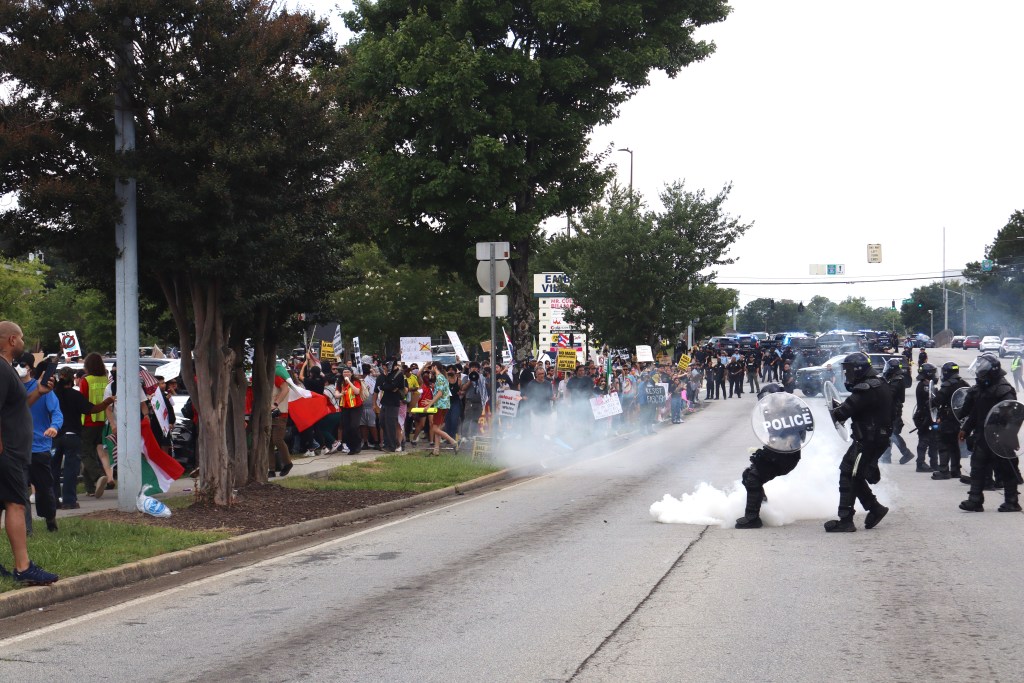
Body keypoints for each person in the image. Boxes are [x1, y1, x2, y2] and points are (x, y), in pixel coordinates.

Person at [0, 321, 59, 584]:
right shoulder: (2, 368)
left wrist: (40, 391)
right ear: (12, 340)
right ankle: (23, 568)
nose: (24, 343)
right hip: (8, 451)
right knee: (16, 503)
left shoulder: (7, 369)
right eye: (22, 338)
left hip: (11, 450)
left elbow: (17, 406)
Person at [825, 352, 893, 532]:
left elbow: (842, 413)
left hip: (867, 442)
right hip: (877, 440)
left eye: (848, 370)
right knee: (854, 474)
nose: (847, 374)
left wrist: (833, 408)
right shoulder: (881, 383)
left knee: (848, 475)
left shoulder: (864, 389)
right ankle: (875, 508)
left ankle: (846, 520)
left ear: (858, 369)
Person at [736, 384, 809, 529]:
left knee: (753, 477)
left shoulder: (789, 412)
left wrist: (766, 454)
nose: (765, 404)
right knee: (748, 475)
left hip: (784, 456)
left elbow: (786, 439)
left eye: (768, 399)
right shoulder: (777, 411)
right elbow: (775, 438)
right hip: (779, 454)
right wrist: (764, 452)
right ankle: (764, 508)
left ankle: (752, 519)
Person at [958, 355, 1021, 512]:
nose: (979, 372)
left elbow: (1015, 415)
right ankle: (975, 500)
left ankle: (1012, 501)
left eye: (982, 369)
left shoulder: (1004, 390)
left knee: (1006, 469)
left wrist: (1006, 435)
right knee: (977, 467)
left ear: (991, 371)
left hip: (1000, 437)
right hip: (983, 435)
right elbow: (975, 413)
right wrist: (965, 428)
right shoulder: (982, 388)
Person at [52, 367, 115, 509]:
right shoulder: (75, 395)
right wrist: (107, 402)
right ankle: (69, 501)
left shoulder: (52, 395)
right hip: (73, 436)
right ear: (72, 378)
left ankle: (54, 499)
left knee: (53, 469)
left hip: (55, 435)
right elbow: (91, 409)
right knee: (70, 469)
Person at [21, 355, 63, 532]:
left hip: (39, 447)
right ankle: (26, 530)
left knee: (44, 490)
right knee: (20, 493)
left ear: (30, 368)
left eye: (21, 364)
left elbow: (57, 413)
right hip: (15, 449)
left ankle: (50, 519)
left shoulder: (44, 390)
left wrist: (54, 427)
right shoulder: (8, 388)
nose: (17, 367)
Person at [78, 352, 113, 497]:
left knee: (85, 453)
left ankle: (99, 476)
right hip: (102, 421)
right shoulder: (106, 380)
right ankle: (90, 489)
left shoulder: (86, 381)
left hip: (88, 420)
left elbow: (82, 400)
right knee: (92, 453)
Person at [931, 362, 969, 480]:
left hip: (948, 420)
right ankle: (955, 470)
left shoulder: (947, 385)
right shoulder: (963, 383)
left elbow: (937, 401)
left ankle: (943, 471)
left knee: (943, 444)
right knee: (954, 445)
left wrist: (932, 399)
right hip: (959, 419)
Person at [879, 358, 914, 465]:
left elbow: (889, 394)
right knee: (889, 434)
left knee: (892, 434)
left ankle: (906, 453)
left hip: (893, 412)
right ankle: (887, 457)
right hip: (891, 410)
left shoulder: (897, 380)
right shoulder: (894, 379)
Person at [912, 363, 939, 473]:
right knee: (924, 440)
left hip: (930, 416)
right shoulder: (924, 386)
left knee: (933, 440)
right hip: (924, 416)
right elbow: (929, 403)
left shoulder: (928, 384)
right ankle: (920, 463)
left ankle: (934, 463)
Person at [426, 362, 458, 455]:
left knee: (435, 428)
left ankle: (453, 441)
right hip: (444, 405)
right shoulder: (443, 377)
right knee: (437, 428)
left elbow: (439, 394)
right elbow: (441, 393)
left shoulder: (439, 378)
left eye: (431, 367)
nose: (430, 369)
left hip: (440, 406)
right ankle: (436, 450)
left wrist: (429, 404)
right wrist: (431, 401)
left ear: (435, 367)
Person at [376, 360, 406, 452]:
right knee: (382, 421)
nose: (385, 367)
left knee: (391, 424)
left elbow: (392, 386)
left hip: (393, 402)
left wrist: (386, 386)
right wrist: (386, 385)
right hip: (385, 401)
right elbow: (381, 386)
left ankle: (392, 446)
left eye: (386, 365)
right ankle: (389, 442)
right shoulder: (386, 375)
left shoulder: (398, 374)